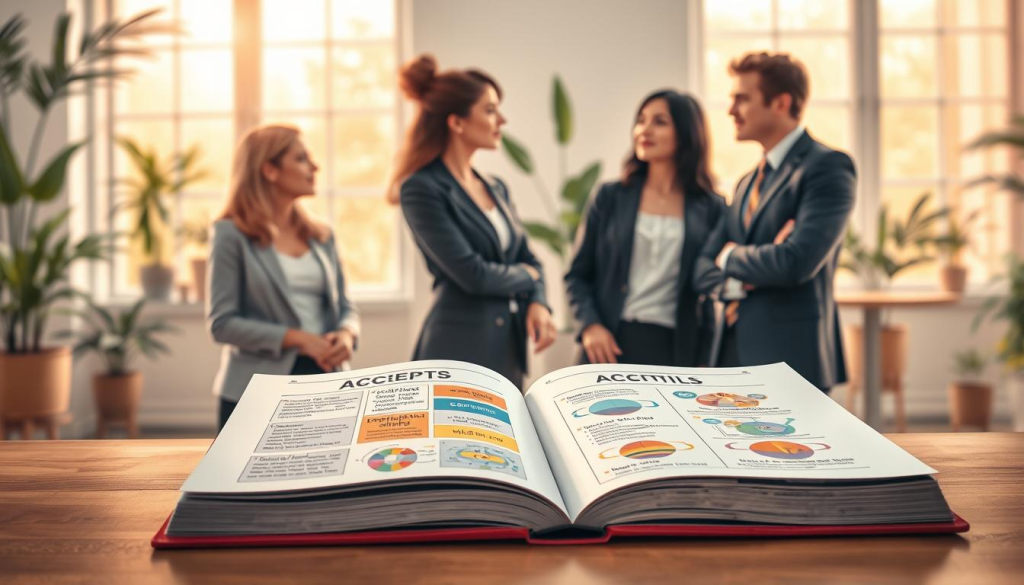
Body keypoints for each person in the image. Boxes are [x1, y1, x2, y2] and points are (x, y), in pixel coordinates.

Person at [693, 52, 856, 394]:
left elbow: (795, 262)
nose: (731, 110)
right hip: (729, 358)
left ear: (781, 102)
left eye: (742, 99)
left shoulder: (827, 168)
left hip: (792, 361)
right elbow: (702, 268)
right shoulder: (745, 183)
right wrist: (738, 281)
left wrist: (731, 257)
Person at [391, 54, 556, 390]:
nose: (502, 120)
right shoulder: (421, 189)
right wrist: (528, 276)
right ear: (457, 122)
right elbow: (473, 274)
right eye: (491, 110)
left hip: (508, 350)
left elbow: (530, 256)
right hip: (458, 350)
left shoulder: (496, 187)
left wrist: (538, 300)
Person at [208, 125, 360, 431]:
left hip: (325, 381)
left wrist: (346, 334)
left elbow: (346, 306)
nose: (314, 167)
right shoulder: (230, 235)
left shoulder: (321, 235)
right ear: (270, 170)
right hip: (254, 390)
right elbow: (222, 324)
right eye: (302, 159)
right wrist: (297, 339)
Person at [565, 90, 725, 366]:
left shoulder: (712, 207)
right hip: (609, 344)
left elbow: (716, 276)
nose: (644, 130)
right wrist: (590, 326)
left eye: (659, 122)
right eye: (641, 120)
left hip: (678, 349)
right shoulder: (610, 196)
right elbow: (577, 275)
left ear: (687, 133)